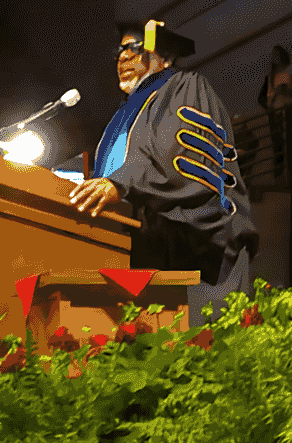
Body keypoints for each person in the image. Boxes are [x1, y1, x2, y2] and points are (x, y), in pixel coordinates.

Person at [68, 19, 259, 325]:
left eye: (134, 48)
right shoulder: (124, 115)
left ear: (165, 57)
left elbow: (183, 155)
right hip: (141, 247)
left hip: (195, 255)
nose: (122, 58)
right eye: (119, 51)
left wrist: (120, 184)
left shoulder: (186, 86)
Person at [257, 45, 292, 182]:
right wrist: (269, 106)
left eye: (276, 54)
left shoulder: (289, 69)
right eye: (273, 55)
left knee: (287, 143)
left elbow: (288, 89)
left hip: (285, 110)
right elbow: (265, 95)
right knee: (278, 144)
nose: (274, 58)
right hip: (275, 111)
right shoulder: (271, 75)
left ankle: (286, 175)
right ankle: (279, 175)